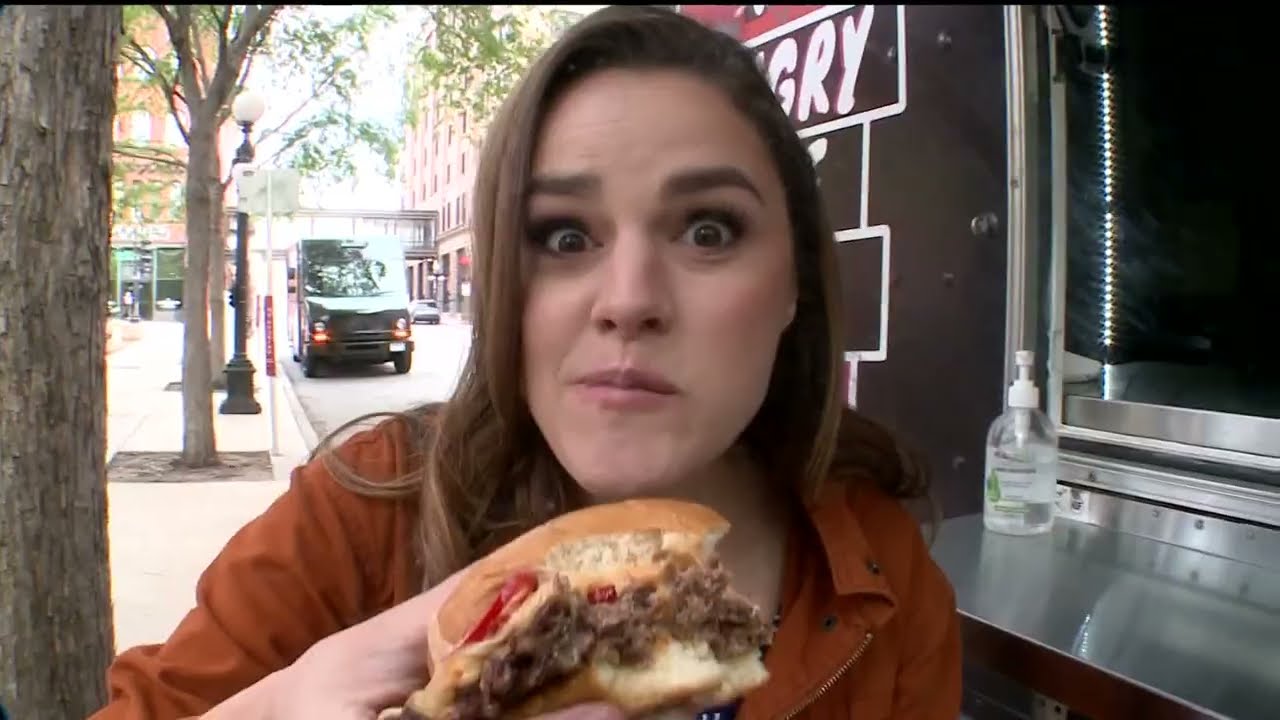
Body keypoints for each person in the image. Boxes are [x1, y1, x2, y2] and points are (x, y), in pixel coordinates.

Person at [92, 6, 960, 719]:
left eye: (708, 229)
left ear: (795, 284)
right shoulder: (362, 513)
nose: (627, 299)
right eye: (564, 235)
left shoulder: (881, 573)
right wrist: (274, 710)